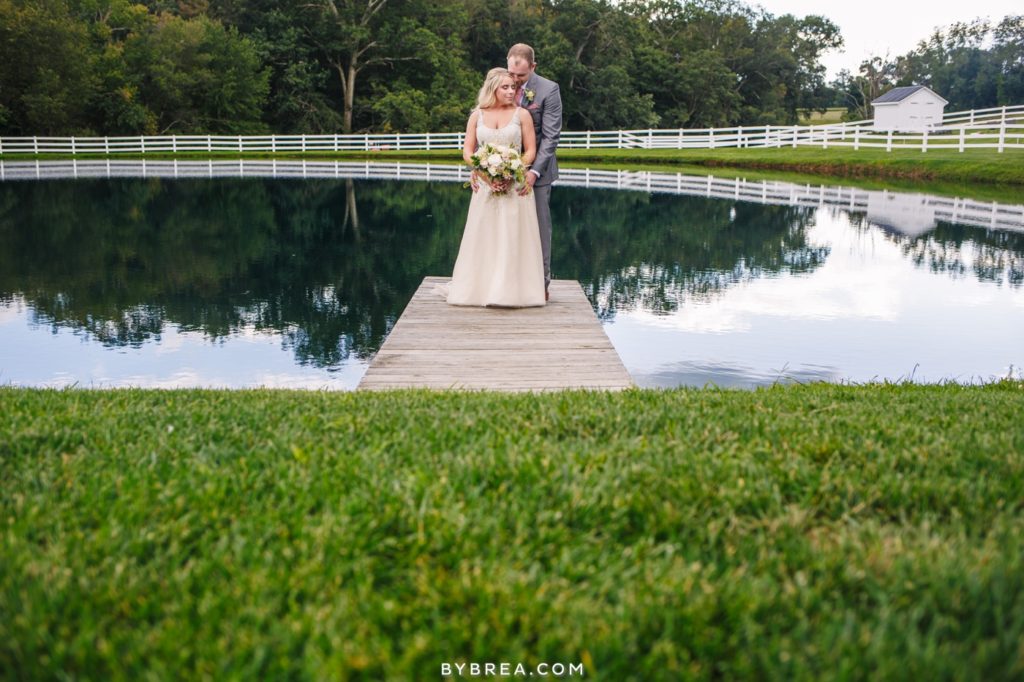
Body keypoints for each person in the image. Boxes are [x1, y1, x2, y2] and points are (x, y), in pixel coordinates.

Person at [443, 67, 546, 308]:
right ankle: (481, 288)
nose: (512, 91)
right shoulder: (477, 115)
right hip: (486, 186)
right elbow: (468, 152)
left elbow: (530, 150)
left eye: (513, 87)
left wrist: (512, 171)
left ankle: (511, 291)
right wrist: (483, 172)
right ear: (493, 89)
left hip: (515, 186)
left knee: (512, 236)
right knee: (485, 236)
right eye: (506, 87)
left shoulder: (522, 115)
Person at [507, 43, 561, 301]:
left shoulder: (549, 90)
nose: (515, 82)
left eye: (521, 76)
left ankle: (542, 284)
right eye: (512, 75)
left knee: (539, 227)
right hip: (504, 172)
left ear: (533, 67)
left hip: (538, 174)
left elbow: (550, 137)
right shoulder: (501, 85)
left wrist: (533, 172)